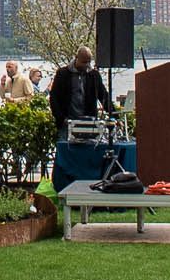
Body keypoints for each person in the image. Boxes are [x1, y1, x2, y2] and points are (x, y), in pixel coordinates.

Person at [47, 47, 121, 189]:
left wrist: (115, 116)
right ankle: (63, 186)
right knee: (66, 155)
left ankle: (88, 184)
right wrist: (61, 118)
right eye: (83, 62)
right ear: (76, 59)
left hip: (88, 122)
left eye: (88, 62)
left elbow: (103, 96)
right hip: (66, 123)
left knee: (87, 154)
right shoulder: (62, 74)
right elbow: (54, 98)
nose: (86, 65)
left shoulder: (93, 75)